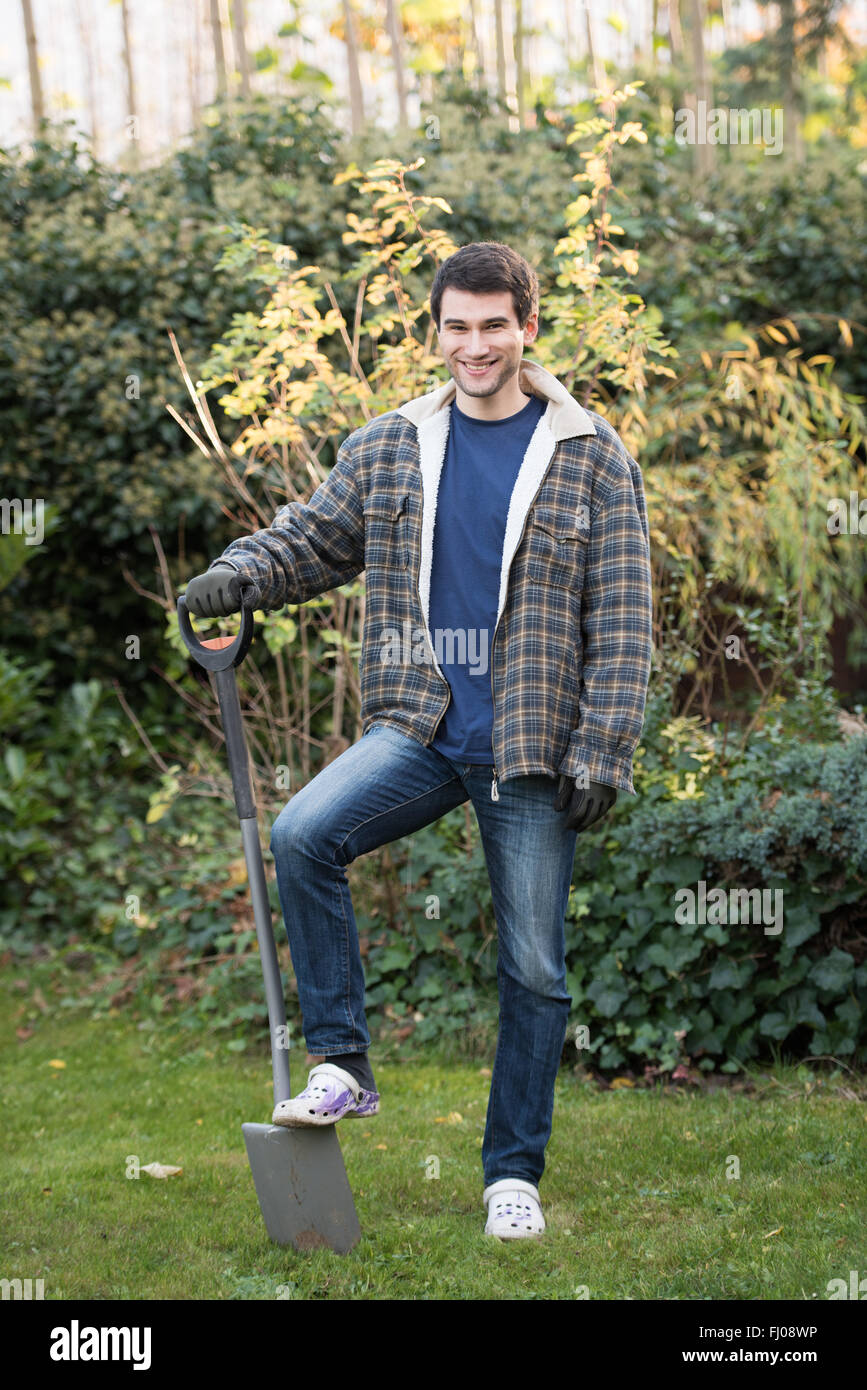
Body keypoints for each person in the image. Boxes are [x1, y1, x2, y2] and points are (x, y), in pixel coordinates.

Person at [183, 241, 653, 1240]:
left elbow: (623, 621)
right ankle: (343, 1064)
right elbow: (311, 539)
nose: (475, 345)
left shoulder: (591, 454)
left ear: (527, 327)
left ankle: (510, 1175)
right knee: (306, 831)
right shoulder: (393, 444)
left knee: (532, 968)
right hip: (424, 724)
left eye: (494, 325)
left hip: (531, 744)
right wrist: (237, 569)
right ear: (435, 331)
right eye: (458, 326)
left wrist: (603, 748)